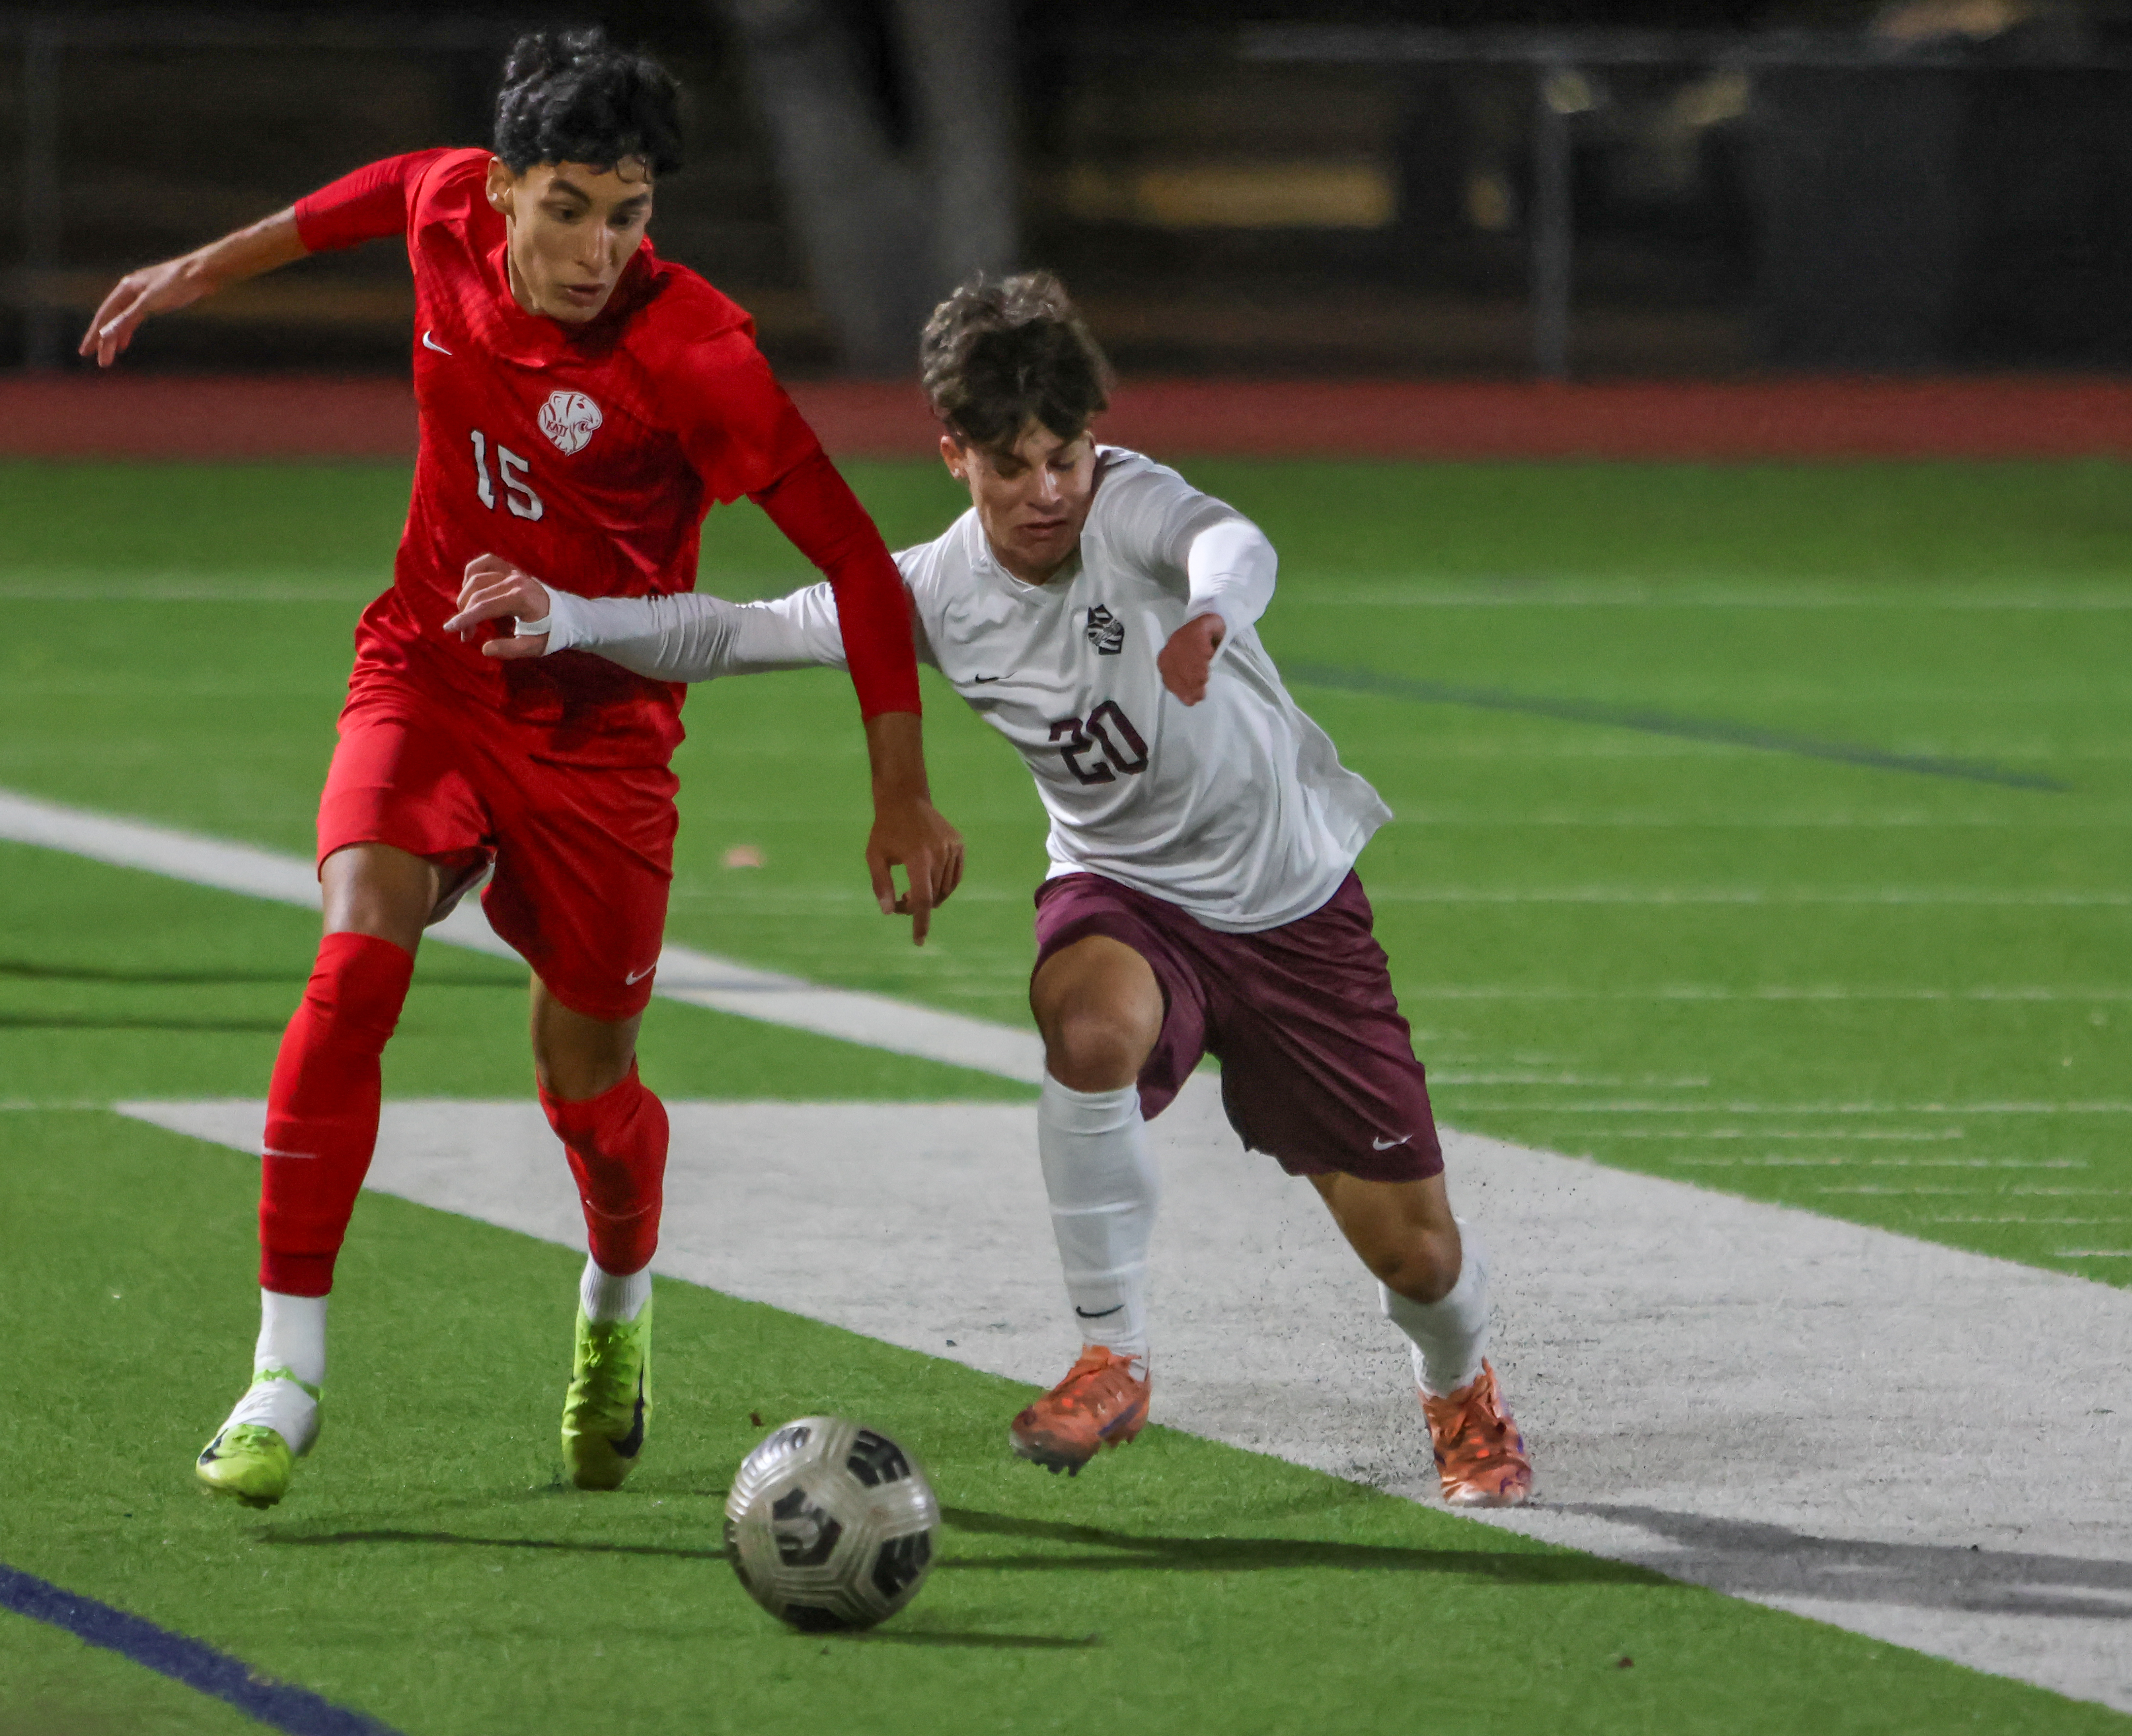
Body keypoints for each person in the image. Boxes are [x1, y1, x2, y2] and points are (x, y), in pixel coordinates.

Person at [446, 272, 1533, 1508]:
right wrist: (573, 614)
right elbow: (743, 628)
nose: (1047, 491)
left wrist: (1216, 613)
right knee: (1087, 1022)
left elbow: (1232, 542)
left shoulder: (1129, 511)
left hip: (1293, 913)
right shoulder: (933, 590)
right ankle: (1109, 1352)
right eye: (1011, 465)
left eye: (1064, 456)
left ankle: (1457, 1391)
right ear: (952, 453)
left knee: (1419, 1256)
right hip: (1125, 895)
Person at [81, 30, 961, 1509]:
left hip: (602, 739)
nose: (598, 248)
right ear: (500, 193)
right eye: (569, 207)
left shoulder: (695, 352)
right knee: (356, 952)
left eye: (628, 215)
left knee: (588, 1089)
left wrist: (900, 786)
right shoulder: (445, 212)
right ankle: (282, 1374)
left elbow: (864, 568)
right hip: (428, 672)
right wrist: (197, 272)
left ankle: (616, 1309)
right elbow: (362, 196)